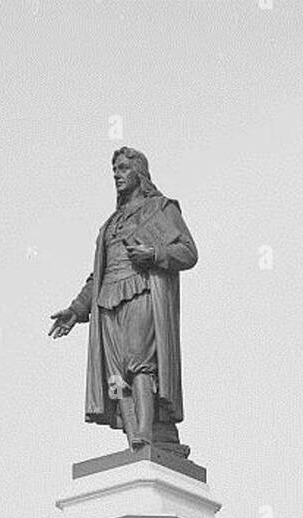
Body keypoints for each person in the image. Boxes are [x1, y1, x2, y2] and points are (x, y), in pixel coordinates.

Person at [48, 147, 197, 452]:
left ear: (139, 172)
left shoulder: (160, 208)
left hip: (141, 290)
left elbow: (188, 252)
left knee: (140, 363)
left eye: (123, 168)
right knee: (116, 374)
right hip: (107, 301)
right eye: (114, 170)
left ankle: (144, 432)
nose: (116, 174)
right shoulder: (111, 223)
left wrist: (154, 254)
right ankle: (135, 441)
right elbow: (98, 274)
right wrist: (77, 310)